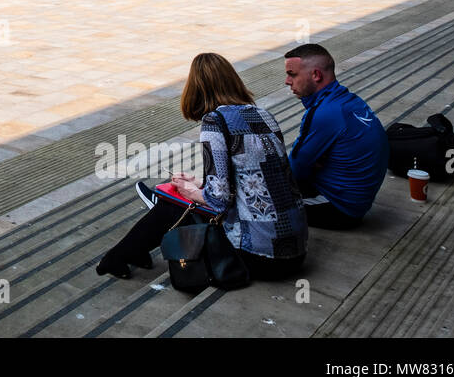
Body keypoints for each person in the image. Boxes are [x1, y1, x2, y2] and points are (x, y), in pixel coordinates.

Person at [97, 52, 308, 281]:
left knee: (175, 206)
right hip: (295, 252)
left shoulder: (215, 121)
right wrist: (199, 184)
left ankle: (118, 255)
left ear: (196, 88)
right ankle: (131, 251)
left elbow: (218, 200)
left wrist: (190, 191)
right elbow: (255, 179)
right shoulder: (264, 115)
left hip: (260, 256)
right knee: (181, 200)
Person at [284, 43, 388, 229]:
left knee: (261, 203)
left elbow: (294, 170)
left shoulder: (324, 113)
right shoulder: (349, 100)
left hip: (341, 208)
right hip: (356, 197)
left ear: (316, 75)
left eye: (292, 74)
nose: (287, 81)